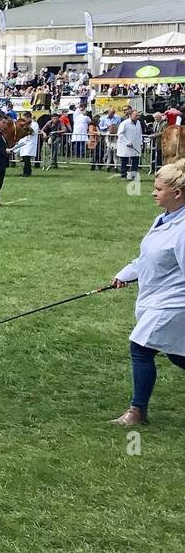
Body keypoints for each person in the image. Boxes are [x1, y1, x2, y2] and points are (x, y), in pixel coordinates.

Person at [109, 160, 185, 426]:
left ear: (177, 193)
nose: (153, 192)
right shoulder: (163, 219)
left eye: (158, 188)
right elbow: (147, 259)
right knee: (177, 354)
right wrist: (124, 274)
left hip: (173, 302)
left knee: (141, 348)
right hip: (155, 296)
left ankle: (137, 412)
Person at [117, 109, 143, 180]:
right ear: (130, 115)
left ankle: (133, 175)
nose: (137, 117)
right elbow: (120, 134)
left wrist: (141, 142)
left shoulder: (138, 123)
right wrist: (127, 142)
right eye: (136, 115)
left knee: (135, 161)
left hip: (136, 145)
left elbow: (140, 133)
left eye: (138, 115)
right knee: (124, 161)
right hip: (126, 146)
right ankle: (123, 175)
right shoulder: (124, 123)